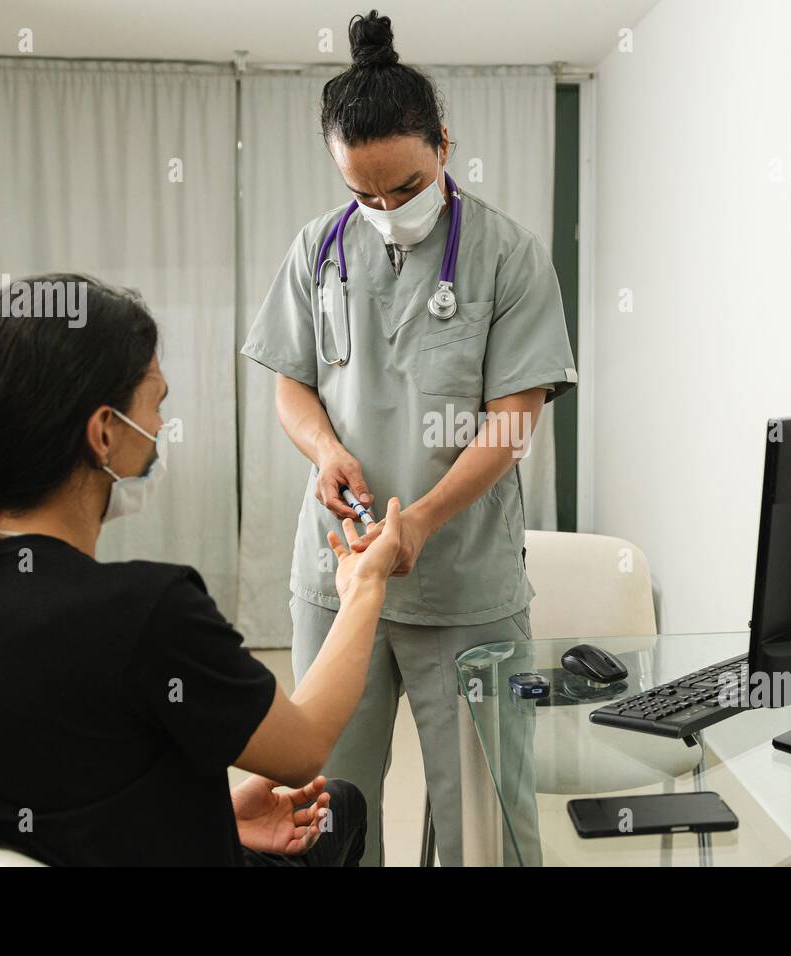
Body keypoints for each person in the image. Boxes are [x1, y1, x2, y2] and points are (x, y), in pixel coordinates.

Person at [0, 274, 402, 866]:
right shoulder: (147, 613)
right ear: (104, 433)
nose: (160, 430)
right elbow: (303, 749)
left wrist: (211, 818)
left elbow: (63, 791)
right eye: (156, 405)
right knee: (339, 807)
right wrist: (363, 587)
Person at [242, 9, 577, 865]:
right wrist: (324, 449)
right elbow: (291, 382)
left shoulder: (510, 256)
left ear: (443, 144)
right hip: (340, 572)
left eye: (405, 185)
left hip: (461, 578)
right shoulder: (316, 249)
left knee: (486, 809)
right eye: (365, 193)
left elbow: (513, 415)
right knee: (326, 804)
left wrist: (421, 520)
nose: (387, 209)